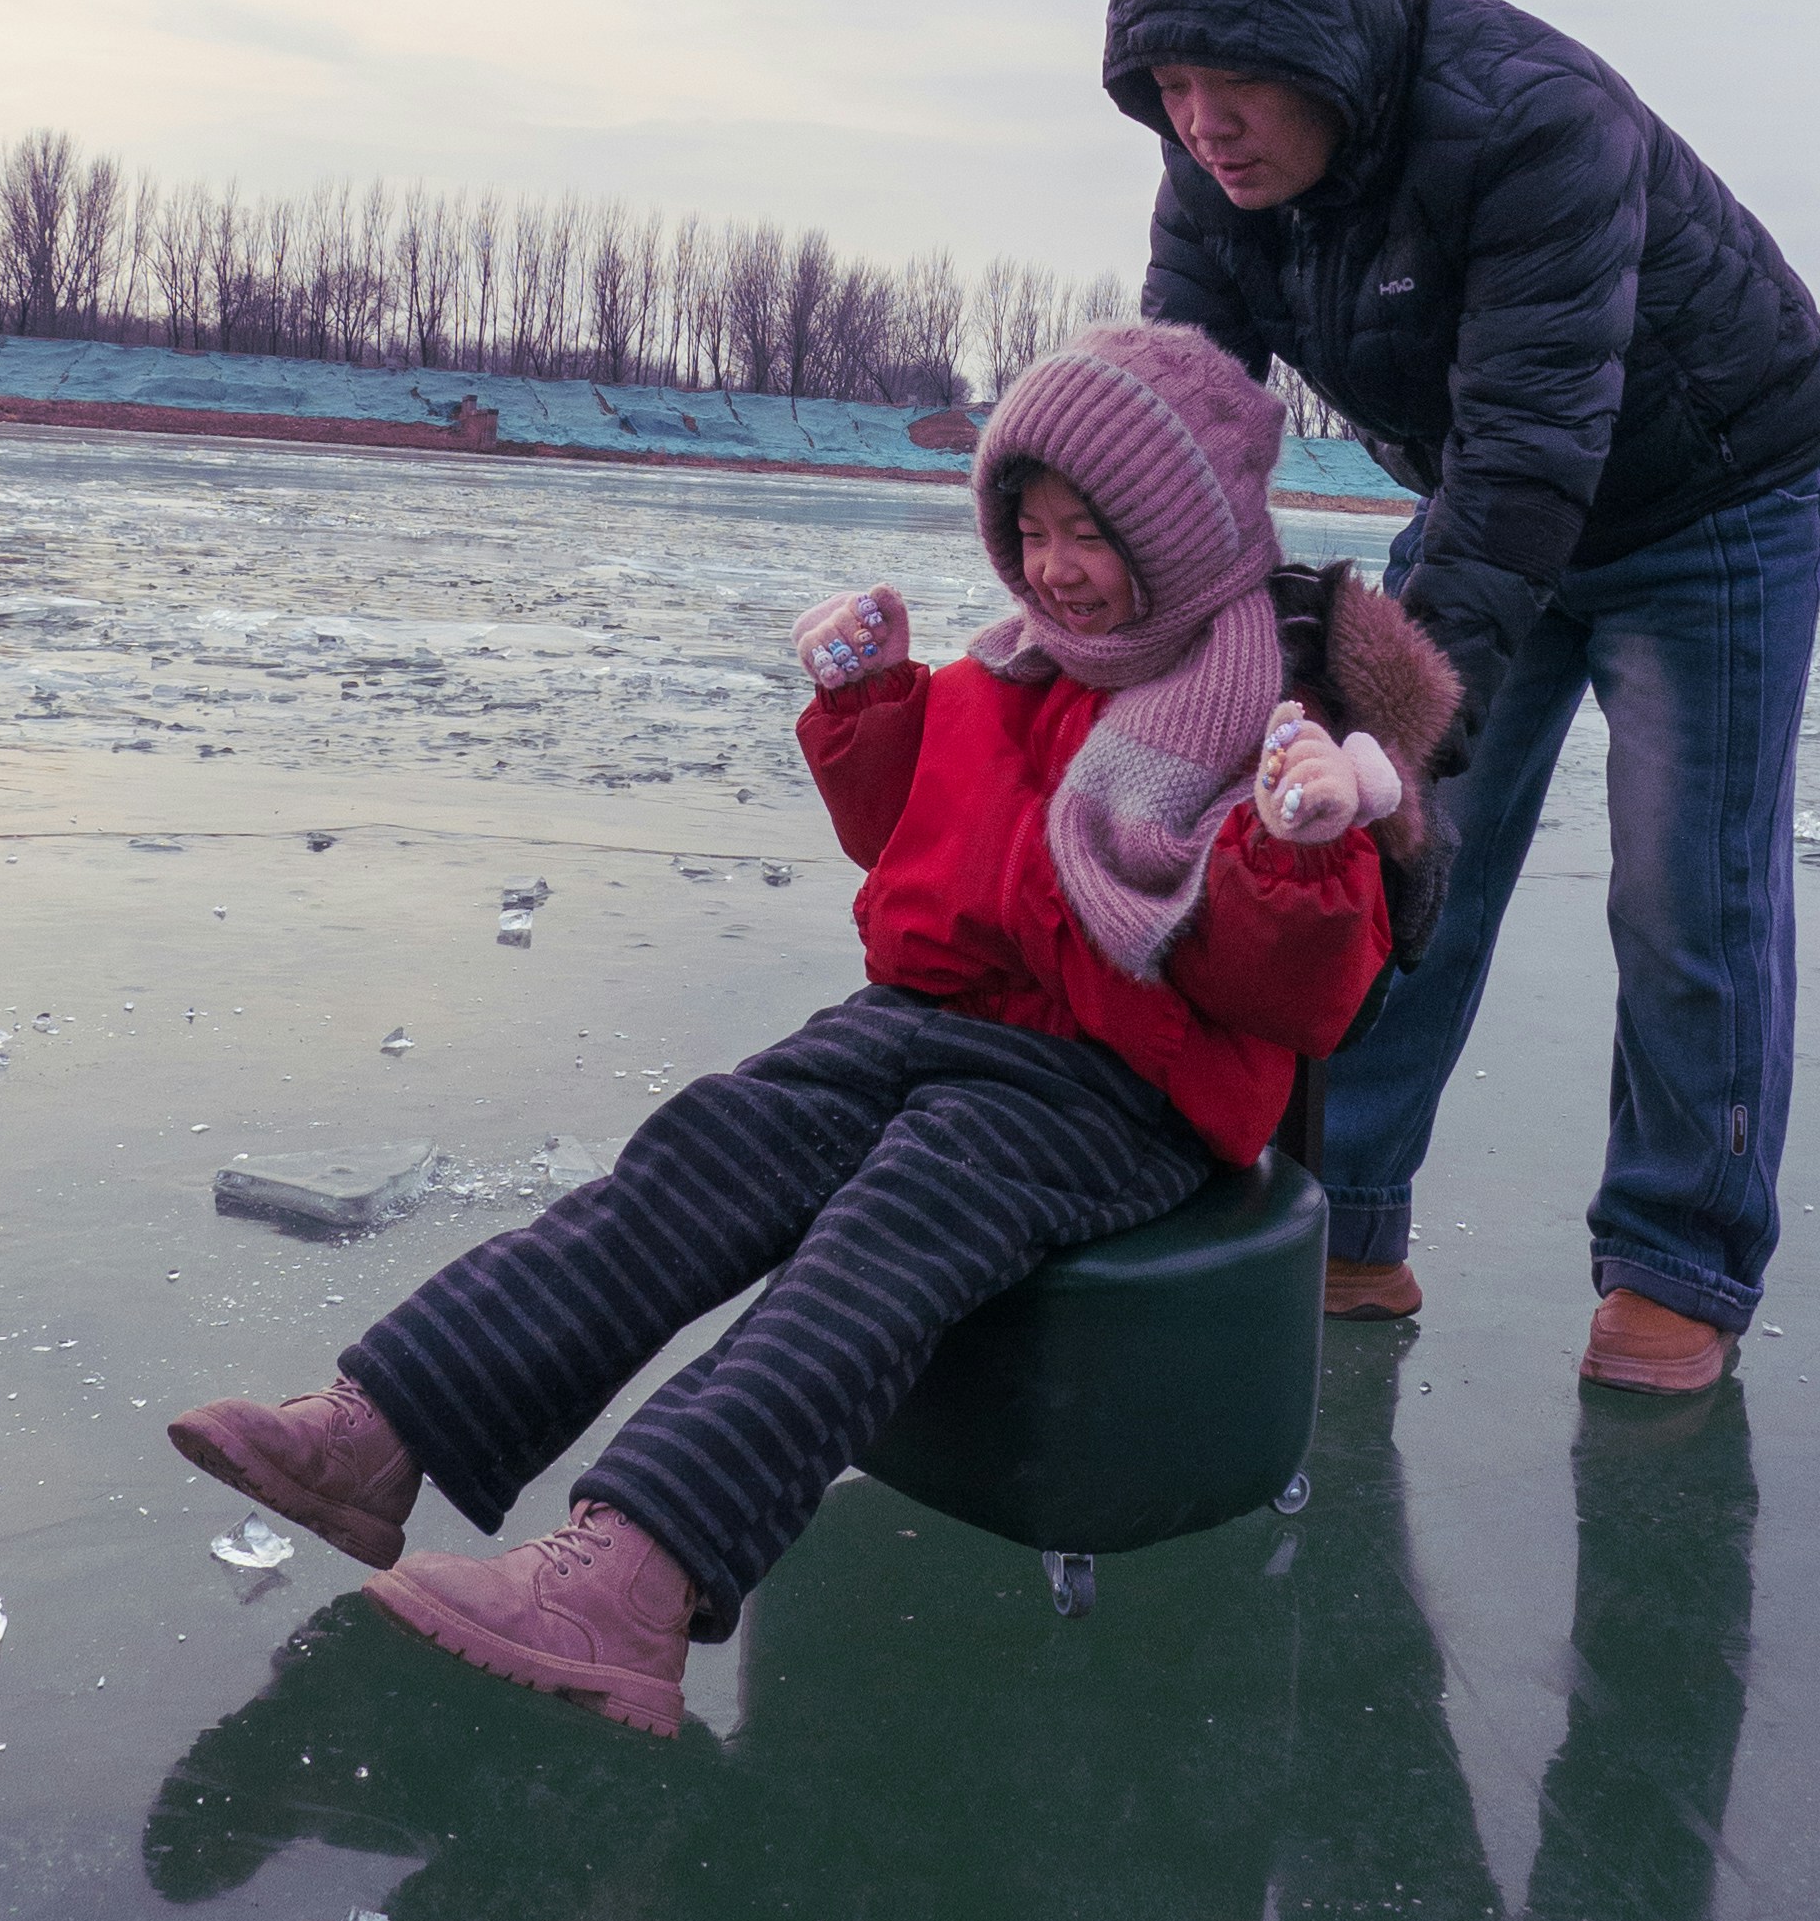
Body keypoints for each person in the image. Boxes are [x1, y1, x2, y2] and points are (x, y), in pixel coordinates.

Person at [167, 323, 1402, 1740]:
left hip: (1108, 1084)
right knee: (704, 1152)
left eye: (1094, 535)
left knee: (889, 1227)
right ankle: (382, 1430)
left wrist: (1302, 849)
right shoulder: (1010, 671)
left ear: (1180, 538)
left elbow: (1299, 1000)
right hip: (924, 1022)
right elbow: (912, 851)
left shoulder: (1261, 720)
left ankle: (631, 1573)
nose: (1056, 566)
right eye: (1035, 530)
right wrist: (873, 712)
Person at [1103, 0, 1820, 1395]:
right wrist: (1114, 624)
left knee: (1680, 887)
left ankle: (1678, 1261)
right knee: (1387, 844)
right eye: (1170, 83)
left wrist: (1384, 721)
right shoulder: (1215, 177)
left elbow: (1528, 461)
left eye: (1231, 78)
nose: (1201, 120)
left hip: (1707, 493)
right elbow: (1180, 423)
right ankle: (1346, 1221)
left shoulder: (1531, 121)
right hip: (1500, 475)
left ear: (1336, 52)